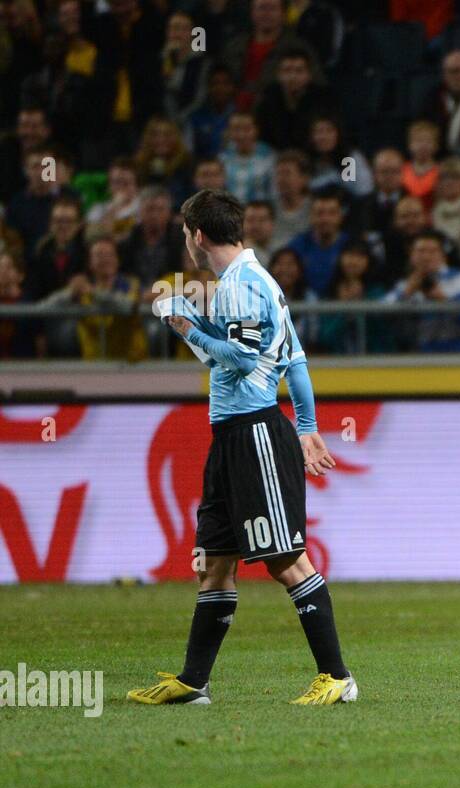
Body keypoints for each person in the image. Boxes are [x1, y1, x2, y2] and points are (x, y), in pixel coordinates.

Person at [131, 188, 355, 706]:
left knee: (285, 560)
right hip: (233, 436)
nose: (186, 243)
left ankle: (338, 676)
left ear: (198, 235)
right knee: (214, 561)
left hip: (254, 432)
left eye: (186, 234)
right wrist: (307, 425)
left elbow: (237, 358)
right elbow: (292, 359)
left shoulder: (242, 285)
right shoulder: (249, 283)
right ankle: (194, 682)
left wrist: (185, 323)